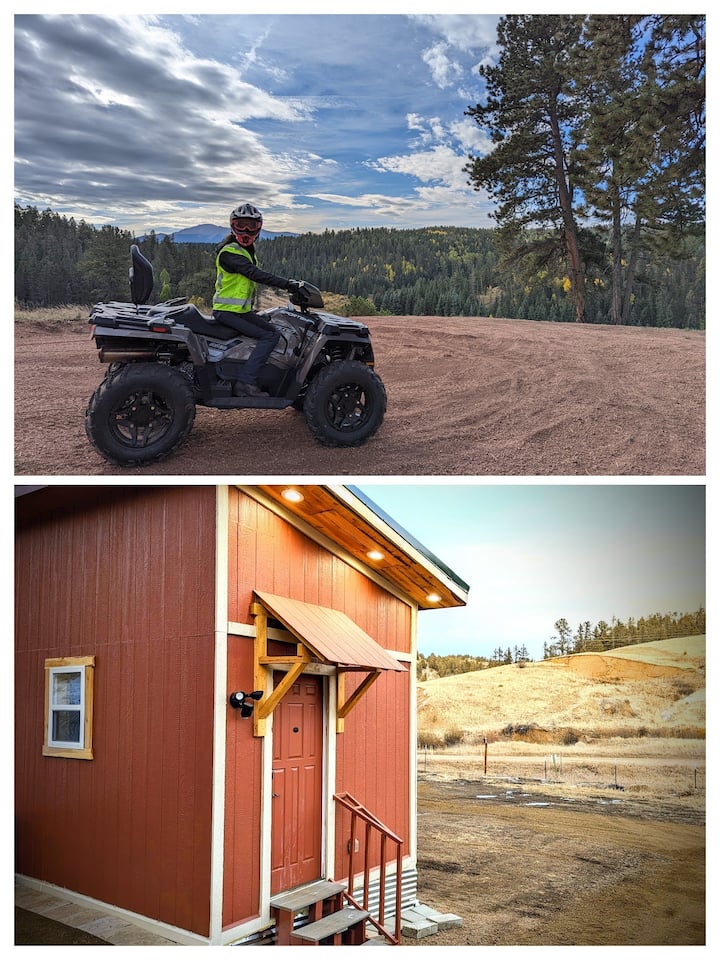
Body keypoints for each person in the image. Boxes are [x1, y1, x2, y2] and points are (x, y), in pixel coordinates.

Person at [213, 202, 303, 397]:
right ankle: (246, 383)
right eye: (241, 225)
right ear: (233, 226)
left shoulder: (244, 251)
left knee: (270, 320)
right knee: (271, 335)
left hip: (238, 311)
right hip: (228, 312)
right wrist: (289, 284)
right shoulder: (230, 252)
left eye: (251, 226)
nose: (246, 230)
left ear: (258, 229)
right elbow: (254, 274)